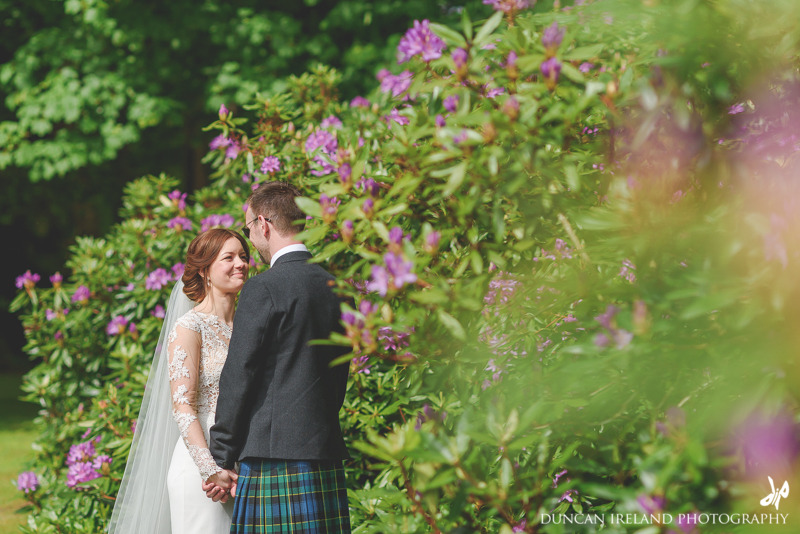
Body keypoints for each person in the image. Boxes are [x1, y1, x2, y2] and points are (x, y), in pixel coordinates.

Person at [205, 181, 351, 533]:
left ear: (263, 224)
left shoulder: (263, 287)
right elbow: (338, 375)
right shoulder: (337, 288)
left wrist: (221, 456)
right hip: (323, 450)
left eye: (248, 229)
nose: (251, 238)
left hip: (272, 457)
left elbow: (239, 375)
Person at [108, 228, 250, 533]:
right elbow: (183, 406)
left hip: (243, 466)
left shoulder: (248, 327)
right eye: (229, 257)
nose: (240, 263)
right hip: (201, 470)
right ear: (205, 271)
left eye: (243, 256)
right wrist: (210, 470)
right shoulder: (190, 327)